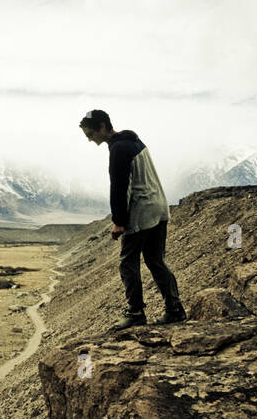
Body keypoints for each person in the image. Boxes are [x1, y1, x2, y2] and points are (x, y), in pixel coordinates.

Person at [79, 109, 186, 329]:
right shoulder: (135, 142)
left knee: (128, 263)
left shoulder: (118, 149)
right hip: (159, 207)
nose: (89, 139)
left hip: (141, 212)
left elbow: (120, 188)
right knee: (156, 261)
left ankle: (135, 312)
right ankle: (174, 309)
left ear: (102, 127)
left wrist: (119, 221)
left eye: (90, 133)